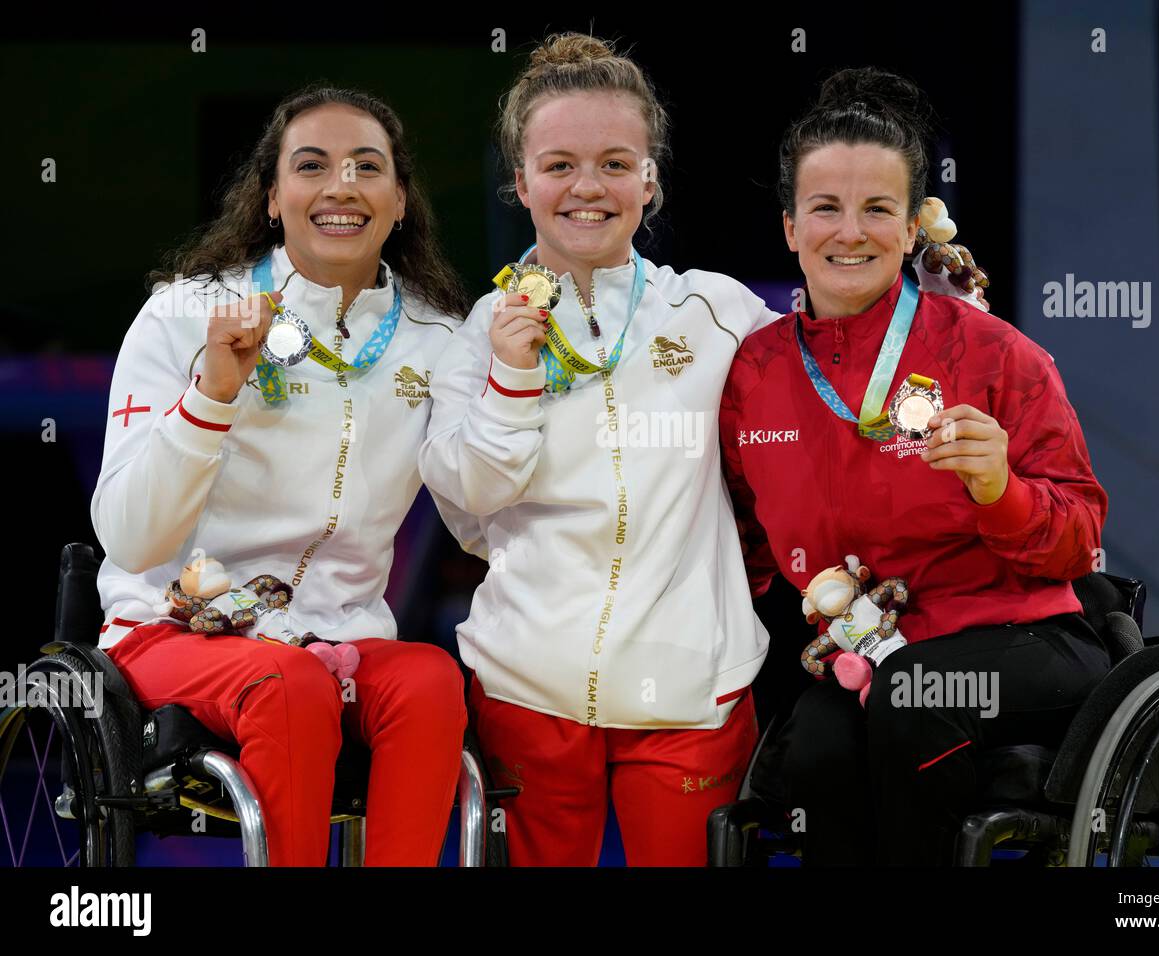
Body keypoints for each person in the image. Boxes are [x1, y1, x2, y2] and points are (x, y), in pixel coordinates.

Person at [719, 67, 1112, 865]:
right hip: (870, 647)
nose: (849, 232)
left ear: (909, 230)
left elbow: (1079, 540)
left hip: (1024, 639)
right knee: (817, 749)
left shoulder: (997, 356)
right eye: (825, 208)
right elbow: (747, 548)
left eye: (877, 210)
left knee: (911, 700)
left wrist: (1001, 491)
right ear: (791, 226)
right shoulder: (753, 375)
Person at [421, 33, 782, 866]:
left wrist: (948, 314)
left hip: (690, 693)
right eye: (559, 165)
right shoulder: (473, 337)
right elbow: (471, 504)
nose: (588, 188)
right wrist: (513, 378)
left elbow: (823, 395)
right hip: (526, 689)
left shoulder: (715, 312)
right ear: (520, 182)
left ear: (649, 180)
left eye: (616, 163)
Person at [93, 85, 471, 866]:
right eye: (312, 166)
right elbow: (130, 539)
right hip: (170, 629)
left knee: (432, 679)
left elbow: (482, 505)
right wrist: (211, 398)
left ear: (399, 201)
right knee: (288, 684)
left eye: (368, 167)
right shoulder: (184, 315)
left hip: (341, 636)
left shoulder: (441, 341)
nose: (341, 186)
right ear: (272, 197)